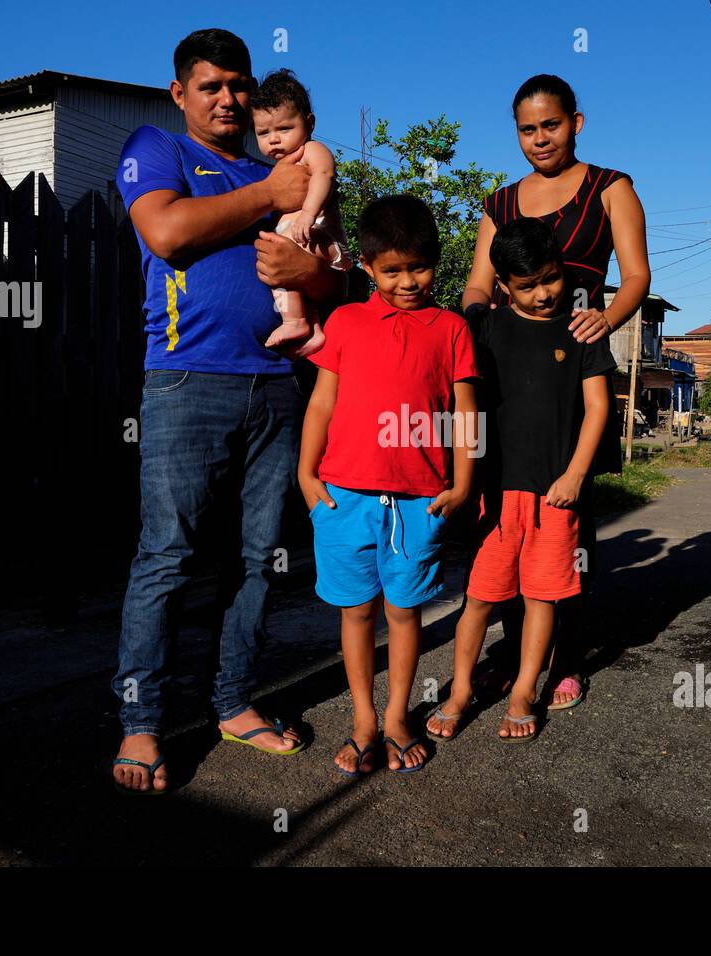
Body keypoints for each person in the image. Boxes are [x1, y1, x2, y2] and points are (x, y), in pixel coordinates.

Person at [110, 28, 347, 794]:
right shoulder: (160, 150)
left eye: (238, 85)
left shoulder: (280, 166)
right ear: (181, 93)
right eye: (210, 85)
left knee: (256, 560)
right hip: (186, 381)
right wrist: (268, 197)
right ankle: (142, 723)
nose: (228, 99)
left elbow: (341, 285)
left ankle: (233, 702)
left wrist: (310, 267)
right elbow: (167, 230)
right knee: (167, 557)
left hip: (277, 382)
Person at [460, 74, 651, 710]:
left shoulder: (611, 188)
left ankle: (566, 661)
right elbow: (476, 287)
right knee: (503, 520)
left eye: (551, 125)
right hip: (511, 370)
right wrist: (477, 330)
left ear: (576, 122)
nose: (540, 139)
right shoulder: (500, 202)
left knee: (568, 523)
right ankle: (517, 659)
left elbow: (637, 277)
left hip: (575, 365)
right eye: (527, 129)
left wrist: (607, 318)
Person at [298, 194, 479, 775]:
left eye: (419, 267)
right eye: (393, 270)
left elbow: (466, 415)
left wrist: (463, 484)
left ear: (436, 262)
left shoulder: (451, 329)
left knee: (404, 614)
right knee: (355, 613)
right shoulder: (345, 323)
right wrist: (306, 472)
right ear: (368, 267)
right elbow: (322, 402)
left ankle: (398, 717)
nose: (408, 281)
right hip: (342, 497)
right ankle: (364, 721)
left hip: (419, 503)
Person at [428, 217, 614, 743]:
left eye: (550, 279)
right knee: (480, 600)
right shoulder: (482, 329)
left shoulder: (582, 330)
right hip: (494, 495)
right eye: (527, 285)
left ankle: (522, 692)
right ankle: (460, 692)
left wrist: (576, 474)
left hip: (556, 495)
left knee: (542, 599)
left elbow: (598, 407)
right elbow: (457, 399)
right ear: (503, 285)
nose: (542, 293)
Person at [249, 69, 352, 358]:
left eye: (284, 129)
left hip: (322, 238)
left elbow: (324, 175)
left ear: (309, 123)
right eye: (263, 133)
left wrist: (307, 213)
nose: (274, 140)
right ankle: (312, 328)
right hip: (312, 239)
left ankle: (293, 321)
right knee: (283, 263)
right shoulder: (280, 168)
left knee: (278, 259)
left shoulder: (312, 150)